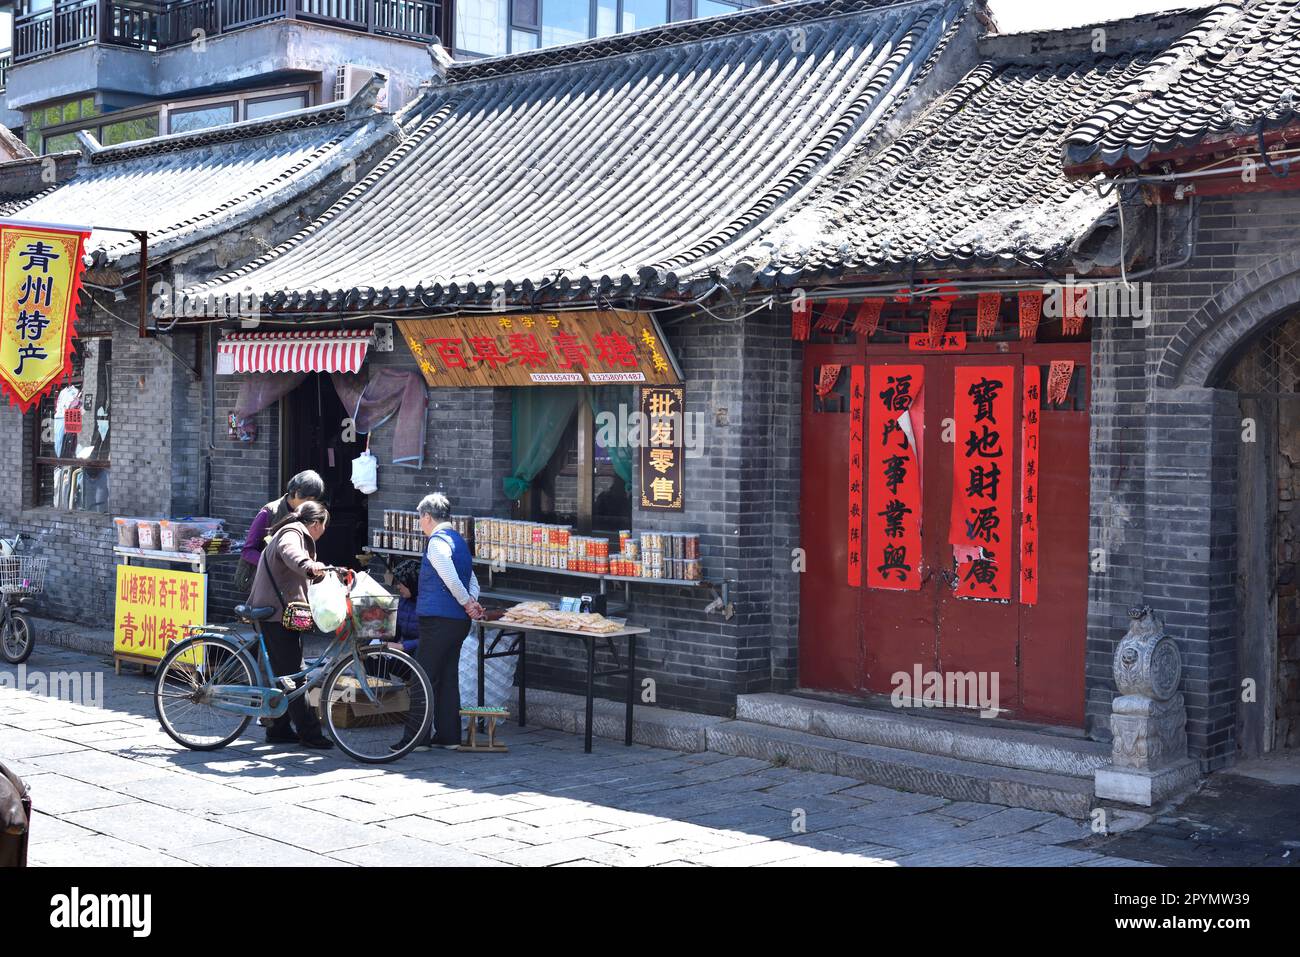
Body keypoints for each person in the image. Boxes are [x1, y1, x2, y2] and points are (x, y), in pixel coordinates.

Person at [396, 493, 483, 752]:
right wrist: (471, 602)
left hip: (438, 620)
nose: (420, 524)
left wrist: (467, 602)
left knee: (422, 676)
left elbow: (447, 573)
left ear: (427, 516)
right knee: (447, 676)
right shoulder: (459, 541)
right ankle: (449, 736)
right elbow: (473, 580)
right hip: (457, 623)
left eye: (419, 519)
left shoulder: (437, 542)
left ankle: (416, 739)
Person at [246, 500, 334, 749]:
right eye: (324, 526)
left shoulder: (293, 530)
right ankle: (310, 734)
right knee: (294, 675)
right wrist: (309, 565)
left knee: (284, 674)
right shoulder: (293, 533)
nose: (324, 532)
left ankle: (279, 729)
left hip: (277, 612)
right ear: (315, 523)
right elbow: (291, 553)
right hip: (277, 615)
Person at [234, 471, 326, 594]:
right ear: (296, 491)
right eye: (307, 498)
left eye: (313, 500)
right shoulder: (269, 512)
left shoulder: (307, 515)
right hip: (261, 582)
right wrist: (273, 564)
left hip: (287, 585)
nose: (309, 503)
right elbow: (247, 551)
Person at [387, 560, 421, 655]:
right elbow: (396, 629)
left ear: (411, 582)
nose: (398, 587)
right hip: (401, 650)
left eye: (401, 583)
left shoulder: (426, 606)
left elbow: (430, 639)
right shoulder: (403, 601)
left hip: (416, 653)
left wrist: (402, 646)